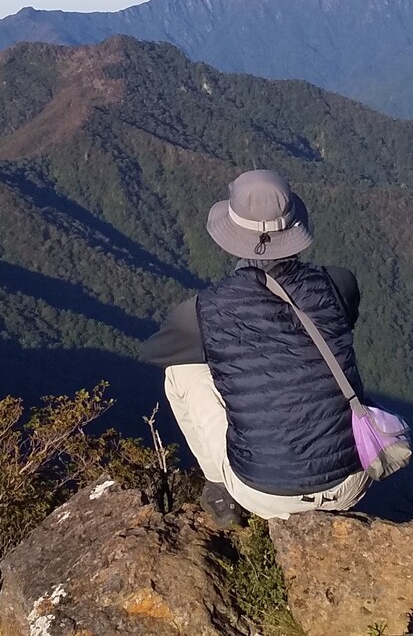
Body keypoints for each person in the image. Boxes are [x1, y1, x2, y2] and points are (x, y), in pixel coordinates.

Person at [141, 168, 372, 526]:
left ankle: (219, 489)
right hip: (352, 478)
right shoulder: (339, 284)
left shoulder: (201, 312)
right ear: (296, 226)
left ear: (230, 235)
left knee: (181, 370)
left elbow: (155, 352)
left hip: (264, 492)